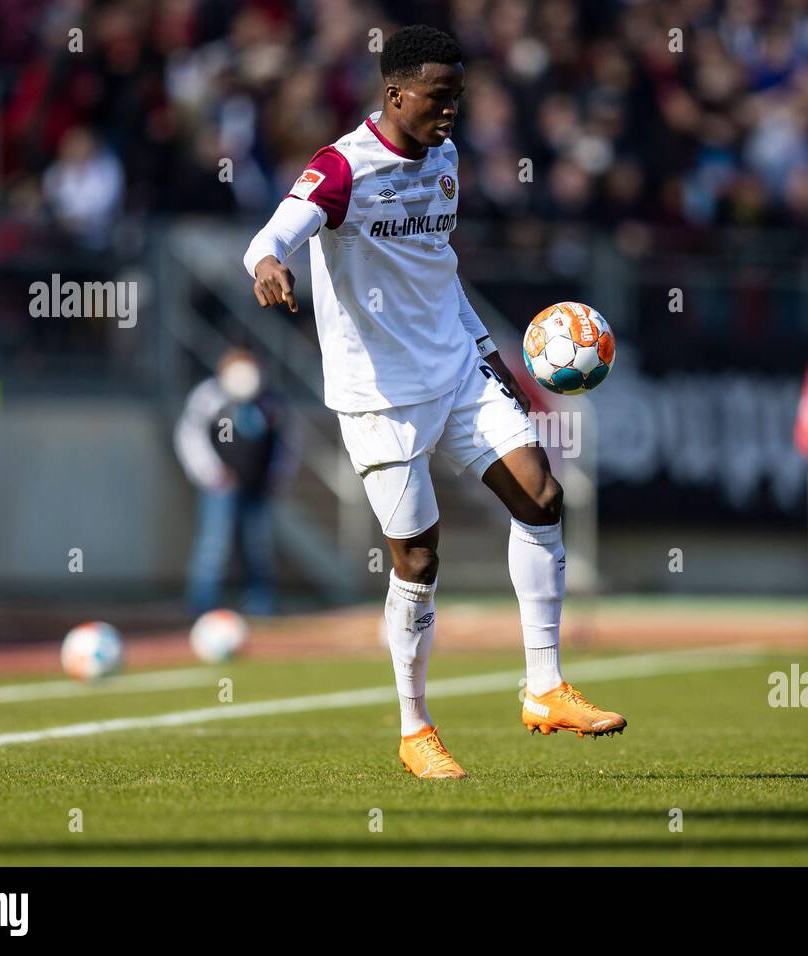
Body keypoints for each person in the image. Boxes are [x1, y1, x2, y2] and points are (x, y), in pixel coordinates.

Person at [242, 25, 625, 779]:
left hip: (455, 370)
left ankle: (544, 686)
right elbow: (270, 235)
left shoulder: (445, 159)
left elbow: (439, 269)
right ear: (395, 94)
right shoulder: (342, 168)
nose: (451, 112)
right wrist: (268, 268)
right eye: (438, 97)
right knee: (418, 558)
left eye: (458, 96)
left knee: (542, 496)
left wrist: (488, 352)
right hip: (379, 396)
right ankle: (415, 729)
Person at [175, 348, 299, 616]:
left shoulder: (271, 401)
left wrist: (277, 476)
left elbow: (288, 442)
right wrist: (212, 473)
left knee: (259, 546)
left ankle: (260, 604)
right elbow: (190, 436)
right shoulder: (207, 396)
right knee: (214, 544)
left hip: (258, 486)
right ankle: (202, 605)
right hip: (221, 487)